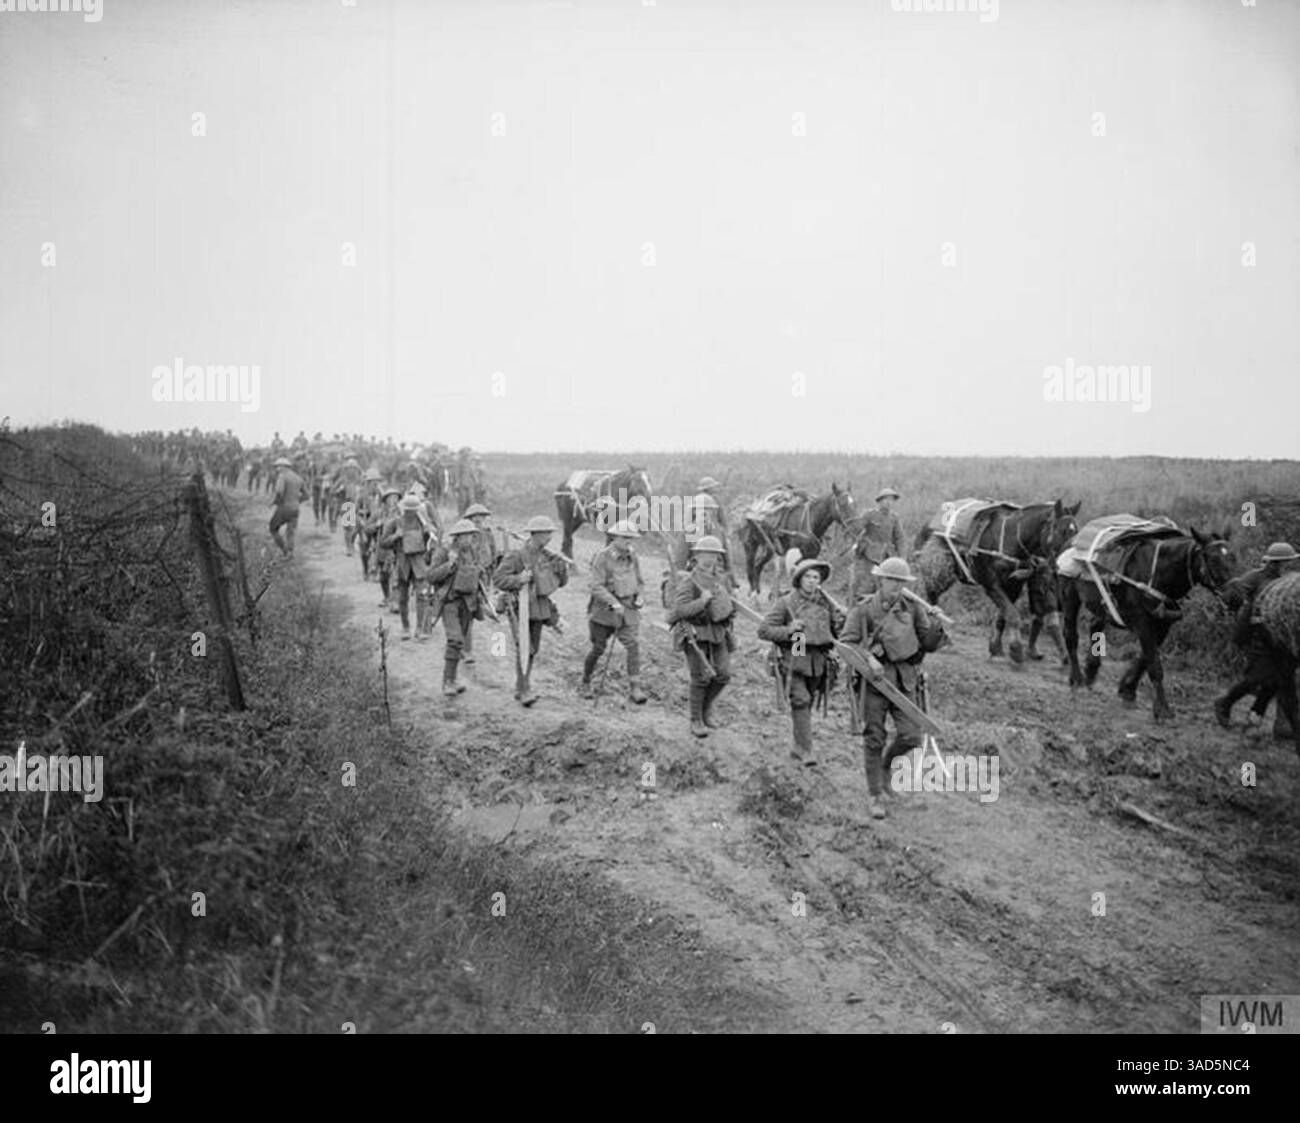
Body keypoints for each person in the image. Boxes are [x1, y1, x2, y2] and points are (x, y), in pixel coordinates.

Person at [842, 557, 946, 819]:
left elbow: (928, 643)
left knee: (911, 736)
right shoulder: (864, 609)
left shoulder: (914, 608)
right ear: (880, 580)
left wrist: (936, 624)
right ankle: (875, 794)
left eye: (901, 582)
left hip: (905, 679)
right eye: (891, 580)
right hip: (874, 682)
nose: (896, 586)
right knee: (874, 737)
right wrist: (869, 658)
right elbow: (846, 644)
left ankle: (886, 768)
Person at [758, 557, 846, 764]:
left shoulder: (826, 603)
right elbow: (764, 630)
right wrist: (789, 630)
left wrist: (842, 620)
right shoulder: (787, 602)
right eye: (808, 576)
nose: (812, 581)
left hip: (819, 660)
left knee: (807, 702)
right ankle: (806, 750)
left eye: (816, 577)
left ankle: (798, 746)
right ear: (799, 579)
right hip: (795, 655)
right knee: (801, 700)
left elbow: (836, 634)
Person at [1215, 541, 1299, 739]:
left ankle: (1255, 717)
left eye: (1289, 562)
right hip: (1256, 635)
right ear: (1273, 563)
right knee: (1257, 678)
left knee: (1276, 681)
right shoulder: (1255, 577)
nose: (1287, 565)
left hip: (1278, 638)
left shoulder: (1287, 583)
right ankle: (1225, 703)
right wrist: (1245, 611)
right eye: (1284, 562)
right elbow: (1231, 596)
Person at [493, 515, 570, 706]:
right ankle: (524, 690)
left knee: (532, 650)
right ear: (535, 534)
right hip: (519, 606)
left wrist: (562, 569)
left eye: (550, 533)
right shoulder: (516, 556)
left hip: (539, 608)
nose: (549, 537)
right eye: (546, 533)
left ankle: (521, 687)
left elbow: (560, 583)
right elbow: (498, 579)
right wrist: (518, 579)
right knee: (525, 647)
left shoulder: (548, 556)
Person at [666, 536, 736, 738]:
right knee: (701, 677)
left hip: (718, 632)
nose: (709, 559)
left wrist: (727, 607)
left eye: (713, 555)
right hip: (695, 632)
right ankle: (696, 719)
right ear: (696, 556)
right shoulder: (689, 581)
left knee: (723, 674)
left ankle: (706, 709)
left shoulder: (722, 580)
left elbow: (729, 606)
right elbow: (677, 611)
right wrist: (702, 602)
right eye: (704, 554)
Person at [582, 520, 647, 703]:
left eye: (631, 538)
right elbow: (596, 586)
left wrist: (640, 597)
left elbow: (640, 582)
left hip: (628, 609)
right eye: (625, 537)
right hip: (604, 610)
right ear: (614, 537)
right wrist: (613, 603)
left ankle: (635, 687)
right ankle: (585, 681)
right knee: (598, 648)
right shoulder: (602, 557)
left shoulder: (633, 557)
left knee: (633, 645)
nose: (629, 541)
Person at [427, 520, 485, 697]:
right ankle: (447, 682)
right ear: (457, 537)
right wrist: (449, 565)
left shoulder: (472, 552)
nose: (470, 539)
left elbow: (478, 575)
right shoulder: (444, 552)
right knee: (455, 639)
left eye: (472, 535)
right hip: (449, 602)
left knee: (459, 644)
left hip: (468, 603)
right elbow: (431, 576)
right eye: (466, 535)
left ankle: (453, 680)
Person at [380, 493, 436, 640]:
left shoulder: (423, 522)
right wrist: (396, 536)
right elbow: (383, 542)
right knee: (402, 598)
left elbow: (433, 540)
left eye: (414, 510)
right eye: (408, 510)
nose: (411, 513)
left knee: (422, 596)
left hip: (419, 565)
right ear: (404, 509)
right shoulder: (395, 522)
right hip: (402, 564)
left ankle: (420, 629)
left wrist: (428, 534)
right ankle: (405, 628)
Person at [460, 502, 502, 666]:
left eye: (481, 516)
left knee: (486, 608)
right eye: (474, 517)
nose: (478, 519)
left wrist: (493, 573)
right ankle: (466, 649)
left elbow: (493, 554)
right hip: (469, 578)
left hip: (485, 575)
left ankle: (496, 650)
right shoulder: (465, 536)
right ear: (469, 518)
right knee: (468, 612)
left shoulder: (488, 534)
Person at [850, 487, 905, 603]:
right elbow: (856, 529)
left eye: (891, 500)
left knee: (883, 586)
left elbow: (899, 539)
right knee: (865, 585)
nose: (888, 503)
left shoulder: (894, 518)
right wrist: (858, 541)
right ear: (879, 501)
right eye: (886, 500)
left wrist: (902, 558)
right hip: (868, 556)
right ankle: (859, 607)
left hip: (886, 557)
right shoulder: (869, 515)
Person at [269, 456, 305, 558]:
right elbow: (306, 495)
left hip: (284, 508)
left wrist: (275, 502)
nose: (277, 469)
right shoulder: (298, 478)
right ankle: (290, 552)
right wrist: (297, 501)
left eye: (278, 466)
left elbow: (279, 491)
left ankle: (284, 550)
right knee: (291, 531)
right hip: (295, 509)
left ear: (284, 467)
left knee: (273, 528)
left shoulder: (282, 476)